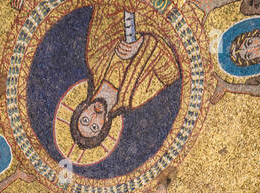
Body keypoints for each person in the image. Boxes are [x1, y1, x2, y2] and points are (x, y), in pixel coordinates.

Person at [71, 8, 181, 151]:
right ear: (104, 124)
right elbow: (171, 73)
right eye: (94, 126)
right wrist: (143, 44)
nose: (93, 117)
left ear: (83, 108)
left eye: (85, 119)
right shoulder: (134, 97)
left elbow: (103, 11)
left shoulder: (95, 59)